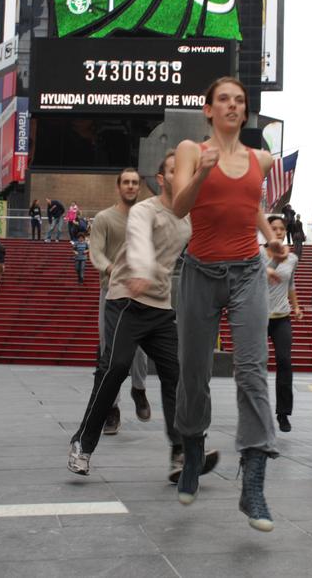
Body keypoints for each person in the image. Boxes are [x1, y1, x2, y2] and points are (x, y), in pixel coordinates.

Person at [172, 76, 285, 532]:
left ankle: (254, 480)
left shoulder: (261, 158)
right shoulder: (189, 150)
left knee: (253, 371)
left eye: (240, 101)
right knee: (193, 371)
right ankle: (193, 445)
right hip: (199, 271)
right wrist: (202, 171)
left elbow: (250, 199)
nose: (234, 106)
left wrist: (269, 236)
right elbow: (180, 207)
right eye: (224, 100)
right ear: (208, 109)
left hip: (247, 273)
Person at [68, 151, 219, 482]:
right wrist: (141, 268)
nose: (181, 176)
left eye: (186, 172)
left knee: (176, 376)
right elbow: (138, 242)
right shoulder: (144, 210)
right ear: (163, 179)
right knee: (116, 367)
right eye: (173, 171)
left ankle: (181, 452)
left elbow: (210, 249)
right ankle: (82, 443)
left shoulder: (188, 218)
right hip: (126, 299)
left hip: (161, 308)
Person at [89, 168, 150, 432]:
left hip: (140, 293)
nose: (130, 186)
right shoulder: (104, 219)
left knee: (140, 349)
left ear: (139, 187)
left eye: (134, 182)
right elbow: (96, 253)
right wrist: (113, 269)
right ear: (118, 187)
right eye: (125, 182)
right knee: (110, 352)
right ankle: (111, 409)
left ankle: (139, 389)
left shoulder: (147, 219)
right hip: (111, 292)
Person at [263, 214, 303, 433]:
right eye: (274, 228)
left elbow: (291, 284)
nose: (278, 232)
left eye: (281, 229)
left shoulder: (293, 258)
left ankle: (283, 413)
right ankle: (257, 411)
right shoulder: (257, 253)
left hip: (282, 317)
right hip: (259, 316)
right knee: (258, 364)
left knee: (284, 361)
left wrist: (296, 307)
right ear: (266, 231)